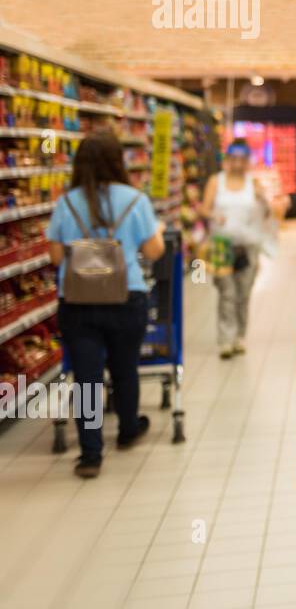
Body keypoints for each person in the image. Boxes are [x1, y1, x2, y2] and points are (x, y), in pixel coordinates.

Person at [47, 133, 166, 479]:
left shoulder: (66, 203)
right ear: (119, 161)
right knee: (125, 367)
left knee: (86, 379)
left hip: (78, 302)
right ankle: (128, 429)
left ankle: (90, 454)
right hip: (126, 298)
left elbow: (55, 256)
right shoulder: (134, 200)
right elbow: (155, 251)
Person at [201, 139, 273, 359]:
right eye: (234, 159)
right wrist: (214, 216)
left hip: (248, 246)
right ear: (227, 160)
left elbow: (268, 215)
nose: (238, 164)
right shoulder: (216, 182)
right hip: (221, 246)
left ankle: (240, 336)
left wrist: (264, 201)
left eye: (243, 160)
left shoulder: (254, 184)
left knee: (243, 293)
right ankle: (225, 340)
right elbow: (203, 209)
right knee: (227, 292)